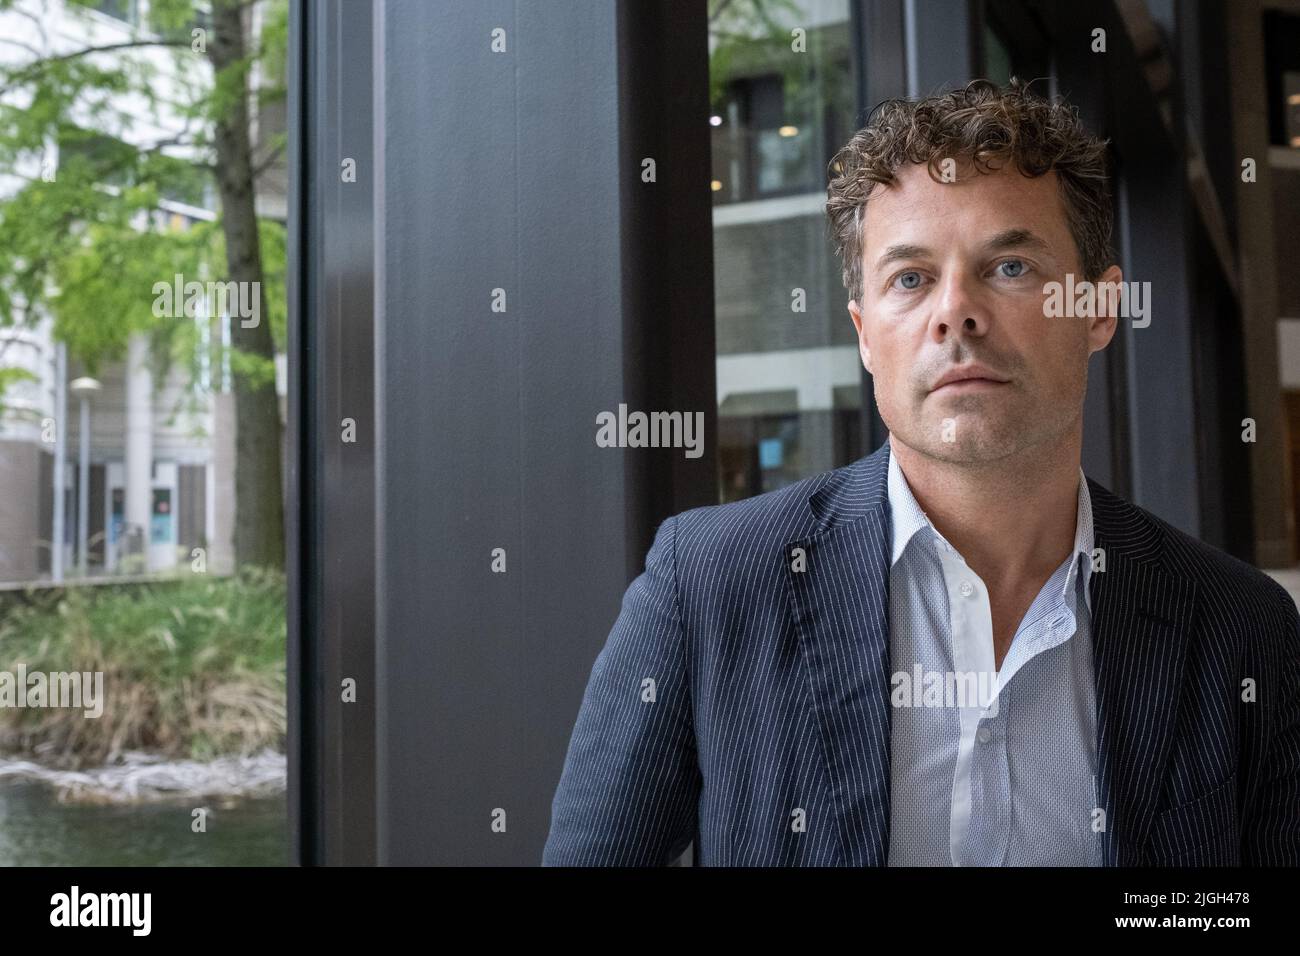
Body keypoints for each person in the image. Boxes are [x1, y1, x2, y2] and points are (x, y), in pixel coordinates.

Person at [542, 79, 1300, 866]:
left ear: (1099, 309)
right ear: (867, 337)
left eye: (1009, 266)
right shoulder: (707, 587)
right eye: (910, 278)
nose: (955, 313)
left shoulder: (1244, 630)